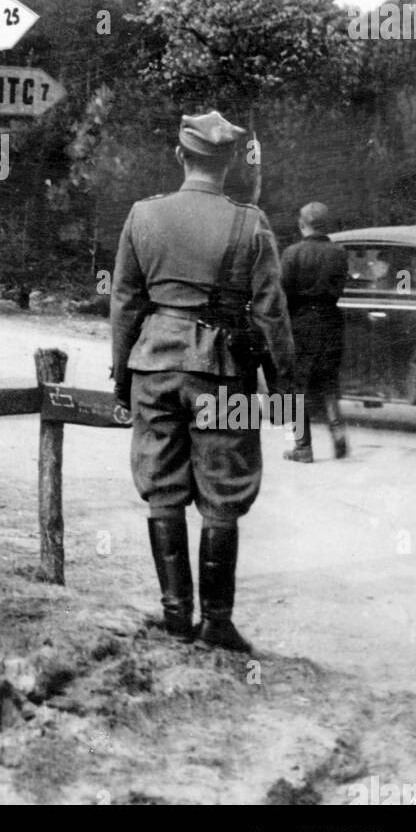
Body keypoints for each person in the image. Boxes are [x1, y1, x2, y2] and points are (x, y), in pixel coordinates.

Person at [110, 110, 295, 652]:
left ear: (180, 156)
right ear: (229, 162)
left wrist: (124, 375)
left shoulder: (143, 216)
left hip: (154, 367)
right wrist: (282, 386)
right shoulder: (251, 222)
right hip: (225, 376)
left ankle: (174, 618)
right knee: (223, 494)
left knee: (161, 489)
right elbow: (271, 312)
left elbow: (124, 302)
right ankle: (216, 623)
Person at [279, 202, 349, 462]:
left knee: (297, 387)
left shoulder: (292, 253)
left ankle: (303, 447)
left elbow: (283, 292)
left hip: (301, 324)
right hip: (331, 320)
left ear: (301, 224)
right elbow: (340, 286)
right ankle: (338, 435)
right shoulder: (339, 253)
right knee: (329, 382)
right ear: (326, 224)